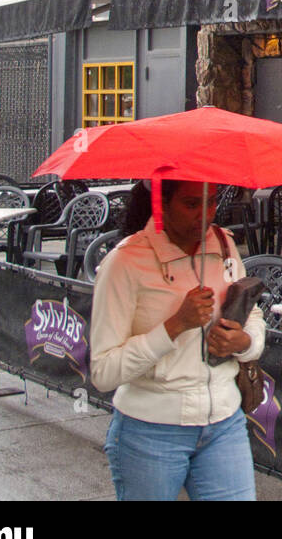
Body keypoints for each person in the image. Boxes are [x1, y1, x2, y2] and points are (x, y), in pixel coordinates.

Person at [91, 179, 265, 501]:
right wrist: (173, 327)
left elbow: (252, 315)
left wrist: (244, 342)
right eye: (190, 204)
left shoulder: (224, 246)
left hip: (224, 421)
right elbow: (103, 372)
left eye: (211, 202)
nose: (205, 215)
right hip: (150, 429)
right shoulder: (124, 263)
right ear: (161, 204)